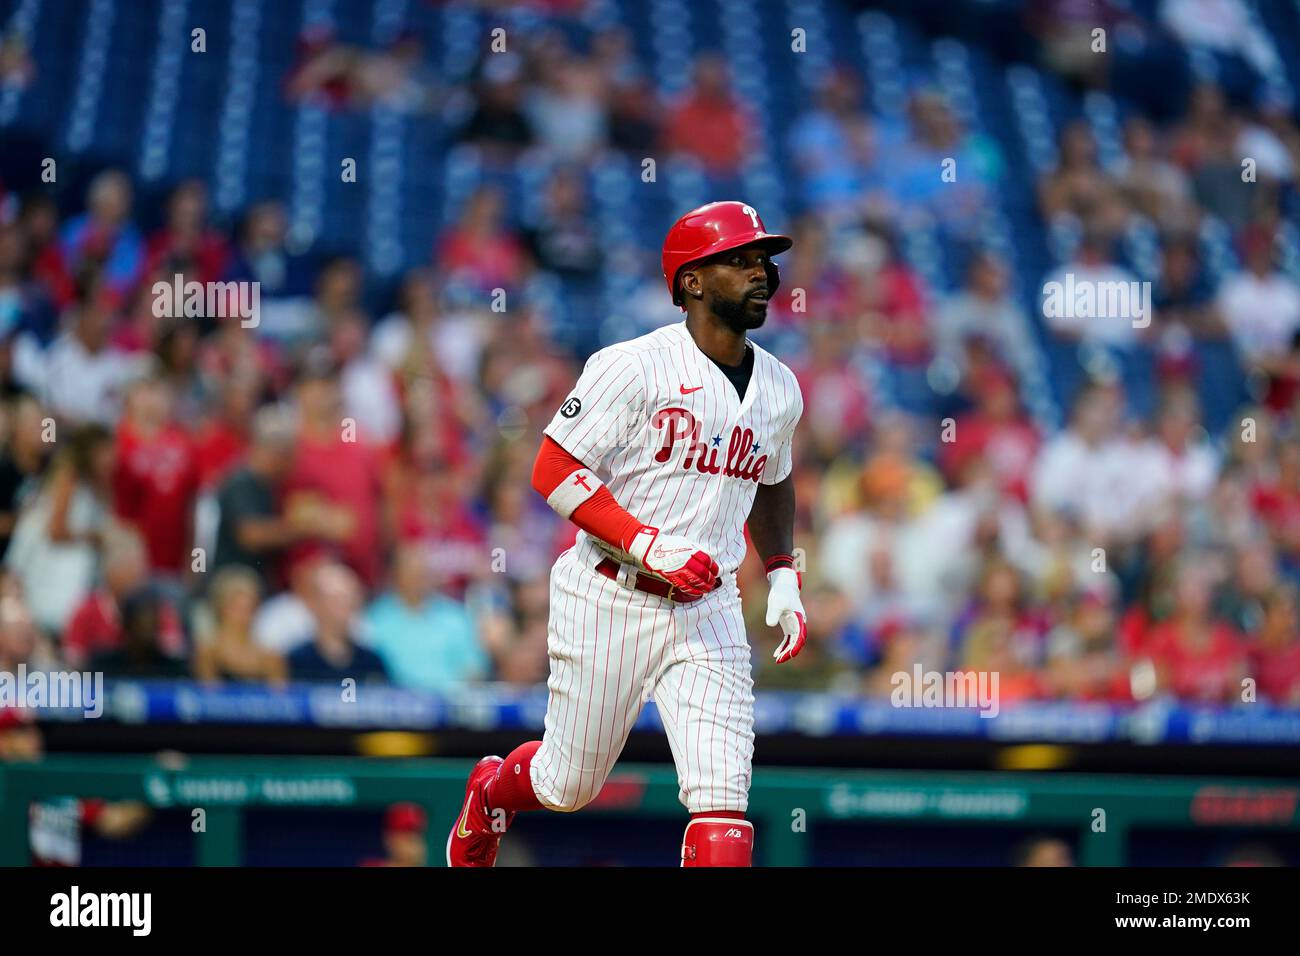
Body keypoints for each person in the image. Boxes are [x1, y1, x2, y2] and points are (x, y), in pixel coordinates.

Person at [446, 201, 805, 868]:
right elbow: (552, 468)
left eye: (763, 260)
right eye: (741, 259)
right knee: (565, 786)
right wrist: (645, 542)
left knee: (724, 810)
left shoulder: (780, 386)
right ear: (692, 281)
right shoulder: (632, 365)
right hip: (612, 593)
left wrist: (782, 571)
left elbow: (774, 474)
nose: (761, 272)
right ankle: (492, 790)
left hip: (710, 607)